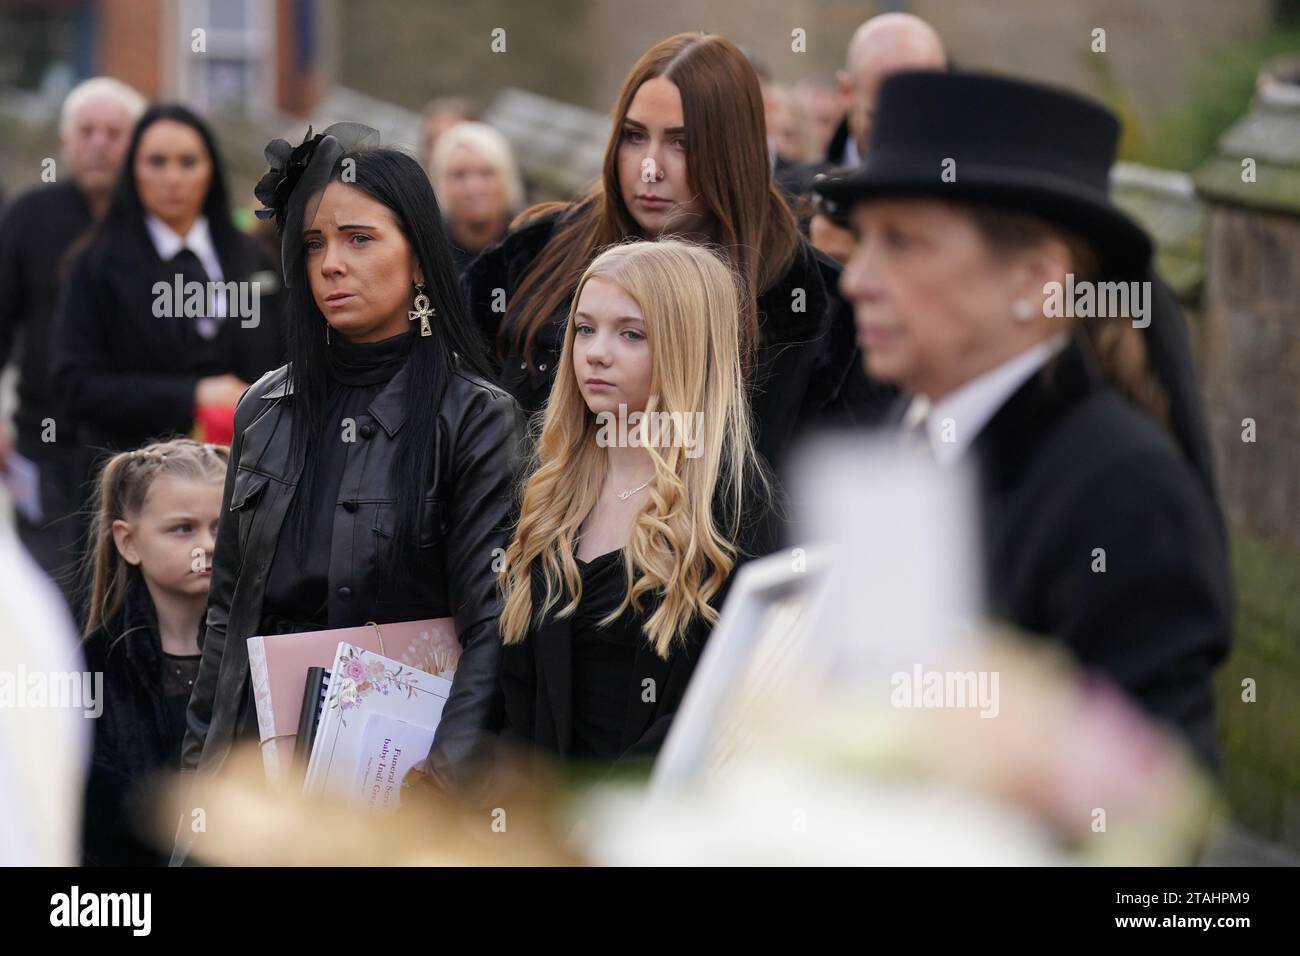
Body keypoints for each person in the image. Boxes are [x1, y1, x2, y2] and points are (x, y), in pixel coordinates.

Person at [818, 70, 1232, 768]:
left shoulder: (1123, 490)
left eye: (903, 243)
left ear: (1037, 281)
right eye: (863, 240)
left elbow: (1154, 820)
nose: (857, 279)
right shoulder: (904, 439)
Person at [179, 125, 522, 800]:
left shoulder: (474, 417)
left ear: (419, 257)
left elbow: (493, 629)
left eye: (359, 239)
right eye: (314, 244)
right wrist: (200, 784)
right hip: (257, 772)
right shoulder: (264, 407)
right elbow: (224, 618)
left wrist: (435, 787)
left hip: (395, 776)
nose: (332, 263)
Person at [463, 32, 895, 472]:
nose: (650, 166)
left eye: (680, 143)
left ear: (734, 152)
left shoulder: (820, 309)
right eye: (633, 136)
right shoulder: (534, 257)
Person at [497, 240, 780, 767]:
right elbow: (514, 687)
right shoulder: (551, 486)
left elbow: (735, 706)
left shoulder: (738, 504)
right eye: (584, 328)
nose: (596, 352)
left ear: (686, 347)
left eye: (631, 334)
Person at [52, 103, 287, 457]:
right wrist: (193, 394)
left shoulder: (254, 258)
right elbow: (75, 386)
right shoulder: (94, 266)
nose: (173, 178)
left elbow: (291, 358)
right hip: (137, 473)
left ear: (211, 171)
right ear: (133, 170)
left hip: (252, 471)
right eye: (157, 162)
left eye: (188, 162)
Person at [0, 77, 145, 611]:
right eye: (87, 131)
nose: (100, 144)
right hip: (44, 443)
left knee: (128, 600)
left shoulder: (157, 221)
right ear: (66, 142)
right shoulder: (29, 217)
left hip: (140, 444)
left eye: (115, 132)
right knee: (52, 597)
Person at [80, 438, 227, 865]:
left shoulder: (258, 651)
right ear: (128, 542)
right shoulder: (93, 668)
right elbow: (87, 806)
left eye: (221, 527)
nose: (207, 544)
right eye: (183, 528)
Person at [778, 13, 947, 266]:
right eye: (882, 116)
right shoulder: (786, 199)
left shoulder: (971, 200)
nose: (900, 132)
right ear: (846, 92)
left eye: (920, 113)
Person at [427, 121, 523, 274]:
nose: (473, 188)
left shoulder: (534, 245)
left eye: (486, 173)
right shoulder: (426, 253)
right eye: (459, 175)